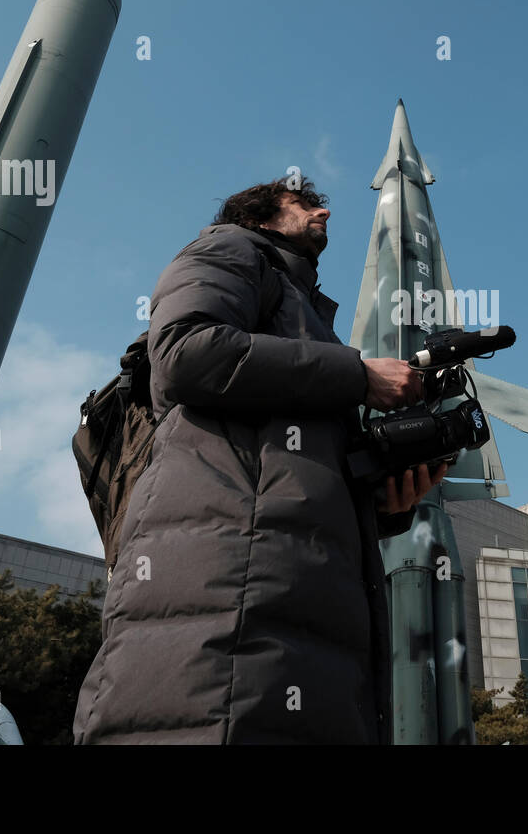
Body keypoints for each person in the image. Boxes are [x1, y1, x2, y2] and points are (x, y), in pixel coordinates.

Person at [73, 175, 446, 744]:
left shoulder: (306, 312)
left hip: (298, 606)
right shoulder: (230, 248)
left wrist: (385, 506)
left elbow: (287, 473)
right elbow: (184, 354)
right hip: (230, 591)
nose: (324, 211)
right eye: (305, 202)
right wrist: (357, 375)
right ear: (260, 214)